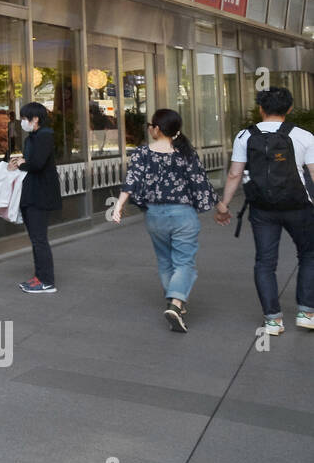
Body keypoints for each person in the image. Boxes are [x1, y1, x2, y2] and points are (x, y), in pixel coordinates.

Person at [111, 109, 220, 333]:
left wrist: (119, 206)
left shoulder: (142, 152)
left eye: (151, 125)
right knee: (185, 262)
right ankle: (176, 303)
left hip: (154, 215)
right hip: (182, 214)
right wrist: (221, 207)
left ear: (157, 128)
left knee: (165, 260)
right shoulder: (186, 152)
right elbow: (201, 183)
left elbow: (131, 181)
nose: (149, 128)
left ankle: (174, 301)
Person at [216, 87, 314, 335]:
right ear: (289, 108)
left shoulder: (244, 136)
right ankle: (306, 313)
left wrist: (224, 205)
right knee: (309, 255)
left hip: (262, 209)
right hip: (299, 206)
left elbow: (235, 174)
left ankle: (273, 320)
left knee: (265, 262)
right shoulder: (304, 136)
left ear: (261, 108)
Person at [12, 102, 61, 294]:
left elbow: (37, 164)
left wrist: (22, 164)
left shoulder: (44, 136)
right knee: (35, 238)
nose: (23, 122)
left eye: (25, 118)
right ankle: (38, 276)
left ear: (36, 119)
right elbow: (29, 162)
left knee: (39, 238)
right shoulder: (33, 137)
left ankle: (46, 281)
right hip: (31, 193)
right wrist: (22, 162)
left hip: (40, 194)